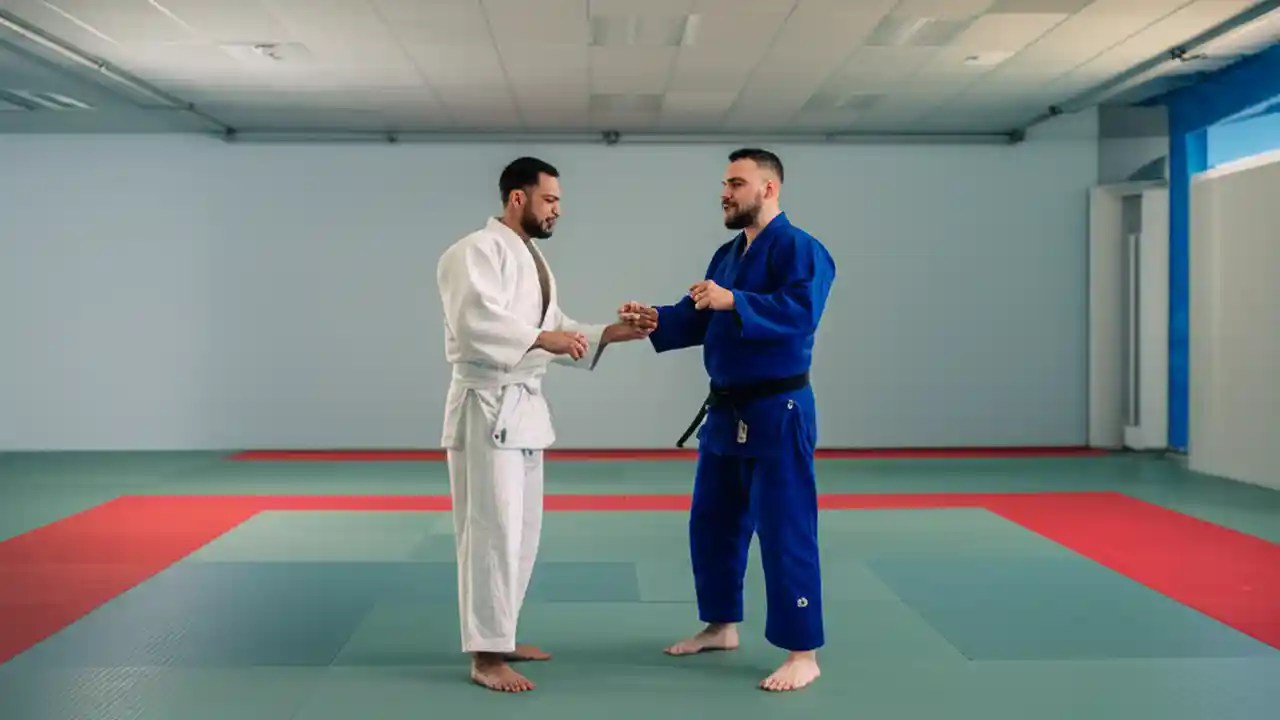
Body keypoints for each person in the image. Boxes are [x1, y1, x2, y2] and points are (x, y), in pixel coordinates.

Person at [618, 148, 835, 692]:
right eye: (724, 183)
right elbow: (701, 314)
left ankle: (802, 651)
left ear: (768, 189)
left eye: (736, 183)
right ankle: (720, 625)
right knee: (712, 524)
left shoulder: (802, 249)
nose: (725, 192)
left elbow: (800, 313)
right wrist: (656, 320)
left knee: (785, 529)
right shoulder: (728, 253)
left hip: (778, 411)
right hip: (727, 412)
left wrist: (734, 299)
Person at [436, 156, 650, 693]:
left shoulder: (534, 262)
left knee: (522, 535)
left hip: (523, 413)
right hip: (485, 409)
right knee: (490, 534)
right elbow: (474, 322)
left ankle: (501, 635)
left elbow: (558, 329)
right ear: (517, 198)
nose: (557, 210)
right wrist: (539, 339)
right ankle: (485, 657)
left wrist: (612, 332)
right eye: (550, 199)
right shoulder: (470, 253)